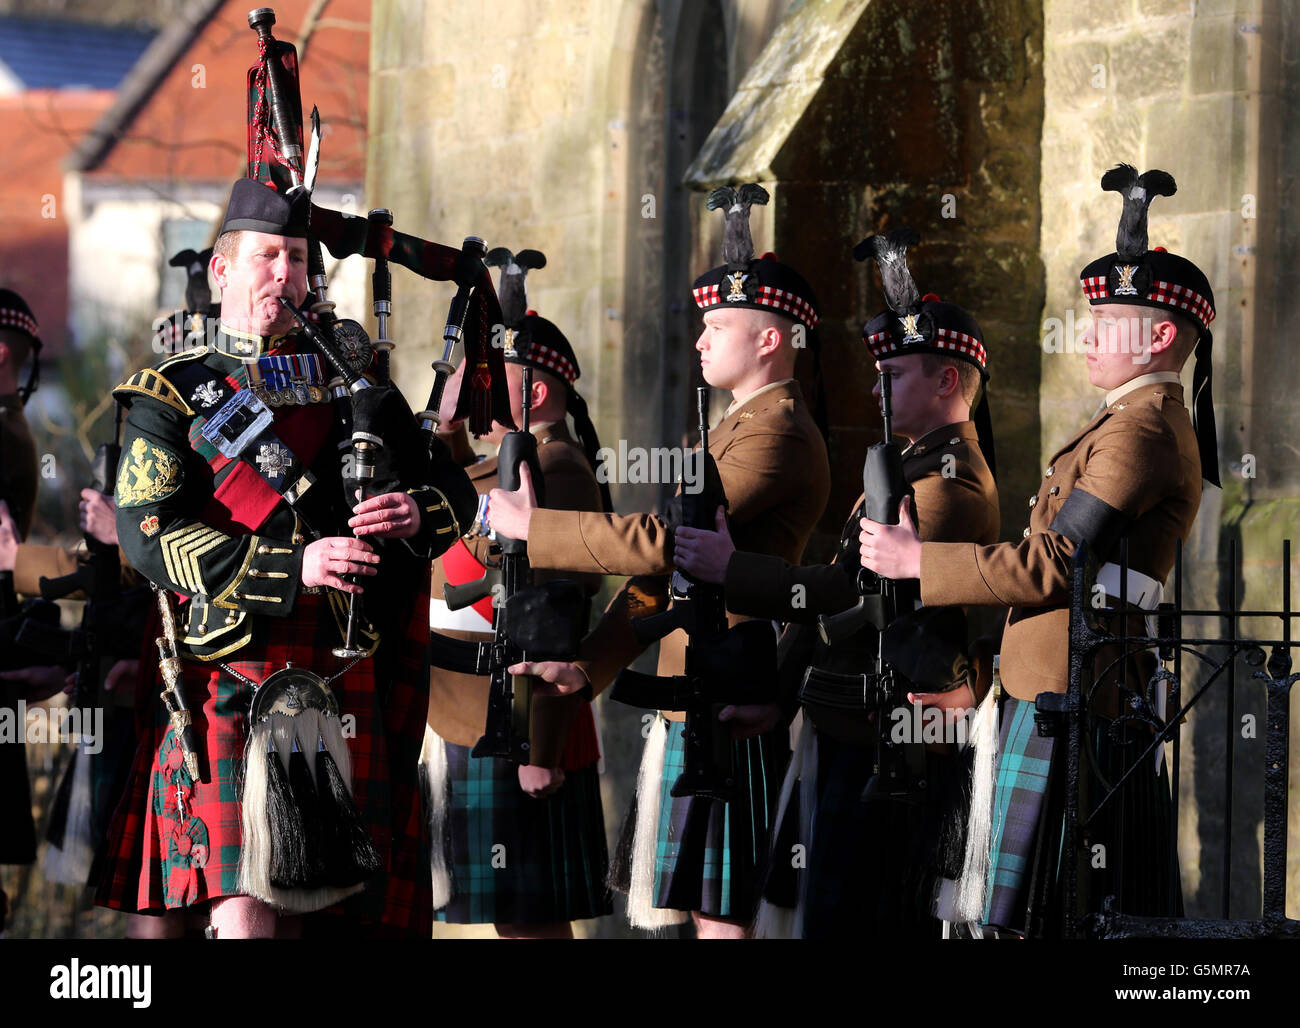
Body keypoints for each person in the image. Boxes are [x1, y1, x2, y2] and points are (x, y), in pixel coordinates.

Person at [94, 178, 477, 938]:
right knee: (243, 909)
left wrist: (414, 515)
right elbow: (146, 535)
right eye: (267, 256)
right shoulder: (169, 394)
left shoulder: (355, 386)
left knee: (338, 910)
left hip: (341, 668)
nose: (284, 274)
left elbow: (454, 494)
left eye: (298, 259)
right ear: (221, 270)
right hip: (229, 669)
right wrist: (290, 567)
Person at [858, 165, 1216, 936]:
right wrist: (984, 676)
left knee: (1053, 920)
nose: (1088, 336)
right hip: (1051, 686)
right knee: (1024, 918)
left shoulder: (1144, 427)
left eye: (1107, 322)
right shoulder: (1121, 423)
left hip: (1074, 697)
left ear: (1158, 335)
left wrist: (918, 561)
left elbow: (1055, 562)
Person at [489, 185, 831, 938]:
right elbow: (661, 581)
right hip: (697, 686)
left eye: (718, 326)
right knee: (694, 910)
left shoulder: (777, 433)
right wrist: (594, 666)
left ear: (770, 340)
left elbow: (665, 539)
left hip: (735, 687)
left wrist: (537, 527)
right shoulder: (734, 431)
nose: (701, 341)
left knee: (722, 918)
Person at [673, 229, 999, 937]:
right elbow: (836, 607)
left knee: (864, 921)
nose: (877, 385)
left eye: (896, 373)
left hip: (895, 742)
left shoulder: (949, 485)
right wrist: (779, 696)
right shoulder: (912, 469)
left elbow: (845, 595)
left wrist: (732, 569)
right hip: (853, 727)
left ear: (947, 380)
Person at [423, 277, 613, 937]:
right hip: (471, 715)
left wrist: (543, 747)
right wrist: (445, 425)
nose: (475, 387)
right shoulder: (499, 464)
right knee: (509, 918)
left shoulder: (557, 471)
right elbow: (450, 501)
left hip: (522, 722)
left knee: (530, 921)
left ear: (532, 392)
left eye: (488, 377)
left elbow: (553, 618)